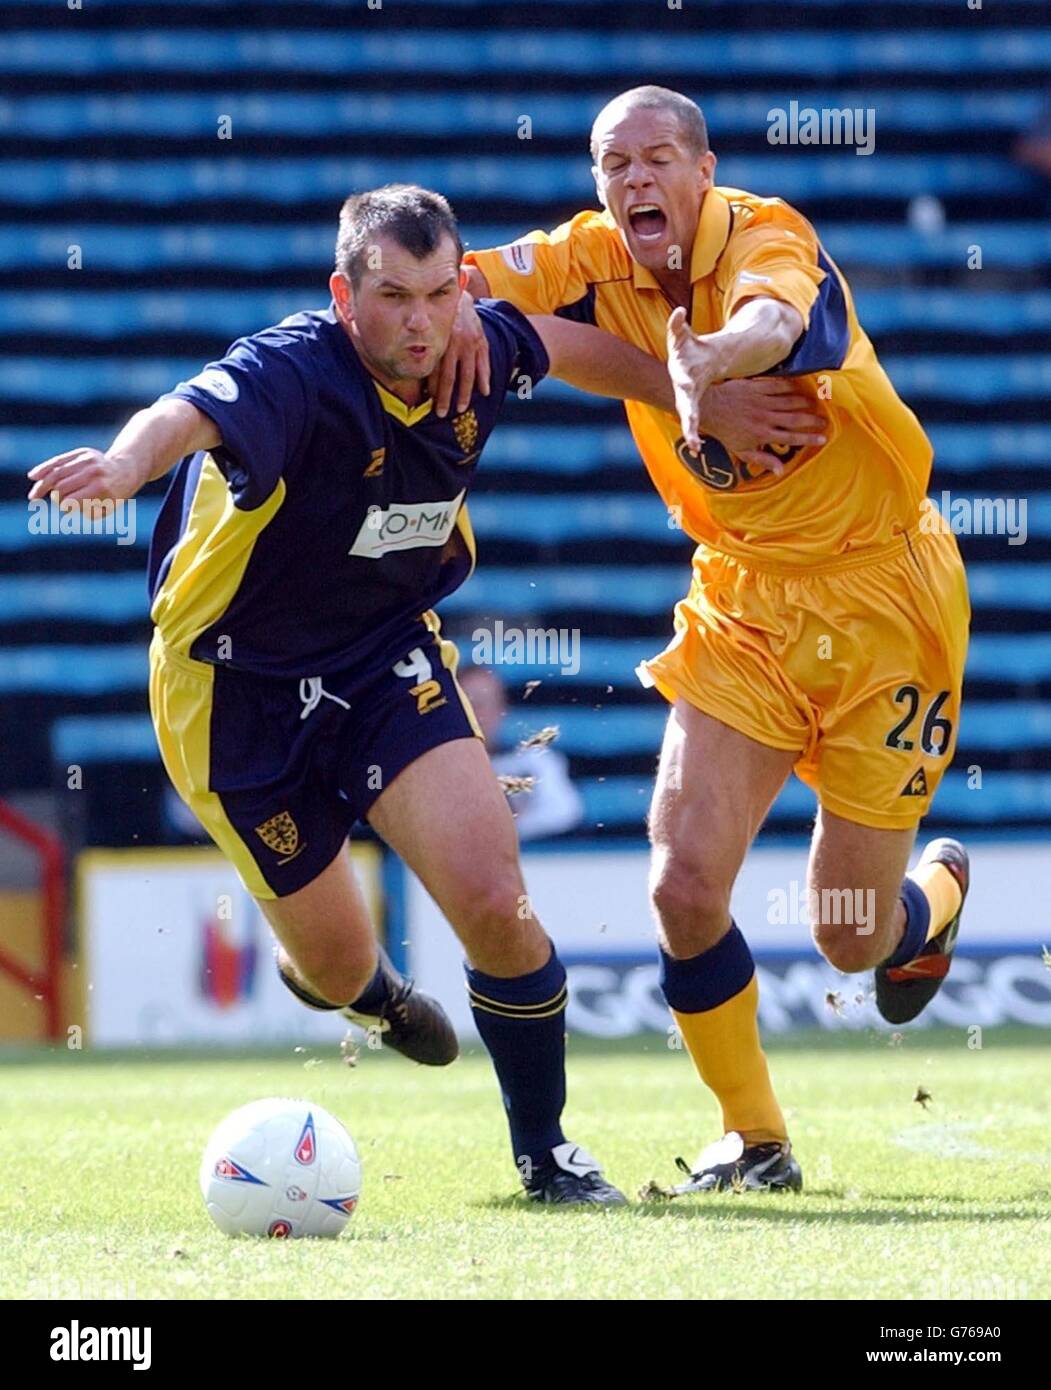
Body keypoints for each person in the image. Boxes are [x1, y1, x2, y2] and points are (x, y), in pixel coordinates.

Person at [27, 184, 700, 1207]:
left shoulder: (476, 346)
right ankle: (372, 998)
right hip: (230, 687)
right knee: (338, 966)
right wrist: (124, 464)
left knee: (493, 899)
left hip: (382, 653)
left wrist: (684, 390)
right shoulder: (293, 371)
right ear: (345, 294)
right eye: (393, 296)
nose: (421, 321)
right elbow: (187, 411)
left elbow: (567, 348)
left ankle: (547, 1155)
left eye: (441, 292)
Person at [444, 87, 971, 1195]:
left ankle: (929, 904)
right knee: (683, 885)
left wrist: (710, 363)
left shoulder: (771, 237)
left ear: (702, 169)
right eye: (610, 164)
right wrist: (365, 312)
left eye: (655, 160)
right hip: (743, 595)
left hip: (887, 599)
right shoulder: (594, 250)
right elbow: (473, 291)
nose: (632, 181)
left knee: (848, 938)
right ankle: (756, 1137)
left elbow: (774, 324)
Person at [458, 665, 584, 840]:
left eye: (484, 703)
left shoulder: (535, 760)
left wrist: (504, 829)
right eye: (468, 703)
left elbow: (565, 812)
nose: (477, 713)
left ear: (501, 708)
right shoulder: (439, 770)